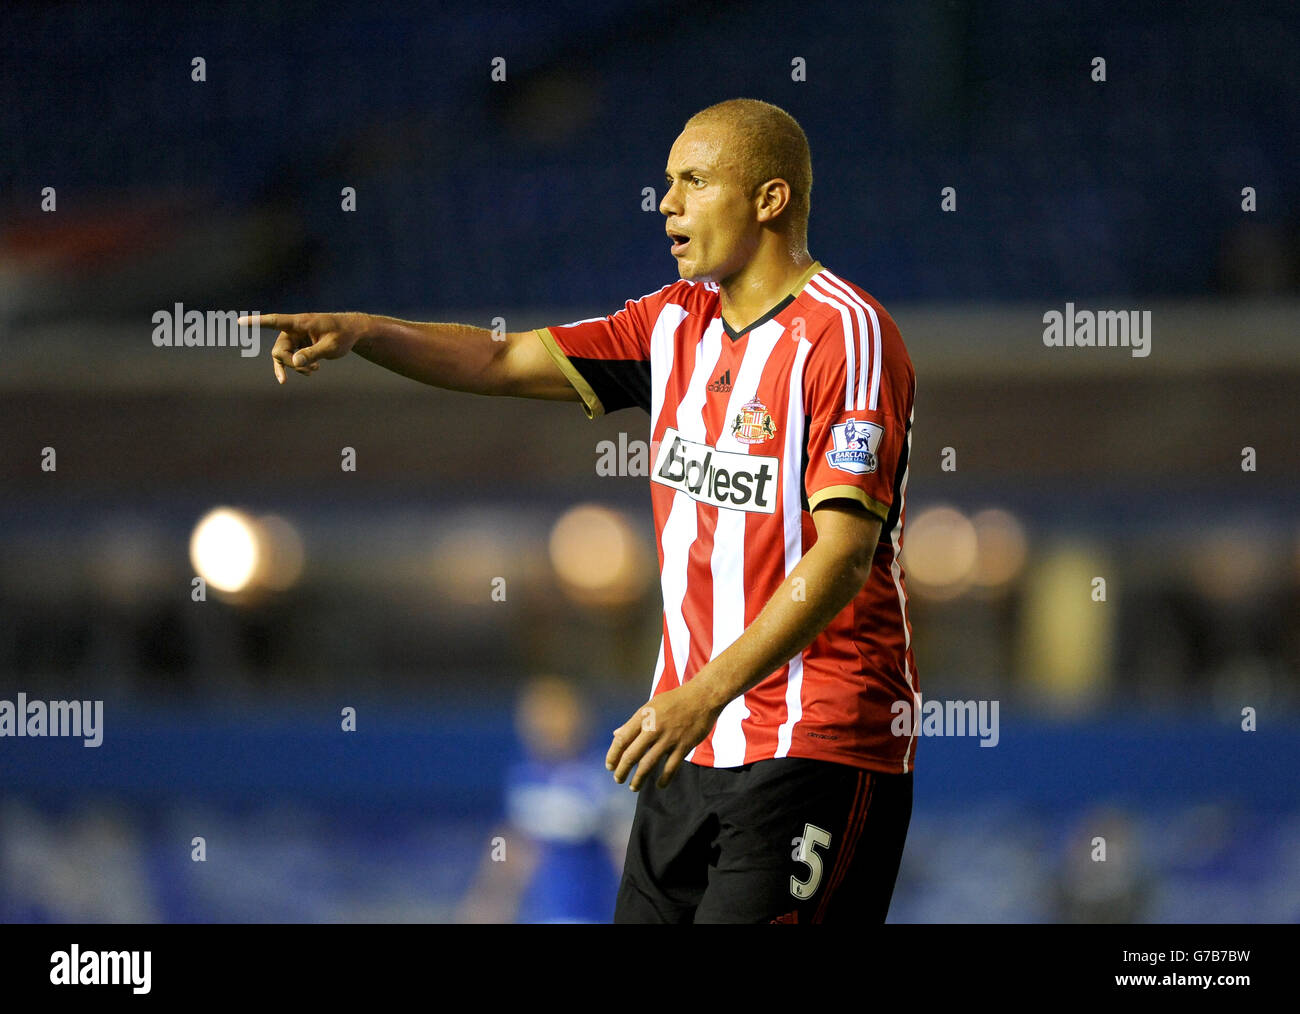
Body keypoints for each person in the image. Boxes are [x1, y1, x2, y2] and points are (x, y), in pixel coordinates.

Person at [240, 97, 918, 923]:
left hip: (816, 745)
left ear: (769, 200)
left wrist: (705, 693)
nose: (666, 203)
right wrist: (366, 330)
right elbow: (497, 357)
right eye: (667, 183)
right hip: (686, 745)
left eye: (694, 182)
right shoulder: (671, 326)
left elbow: (844, 555)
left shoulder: (846, 336)